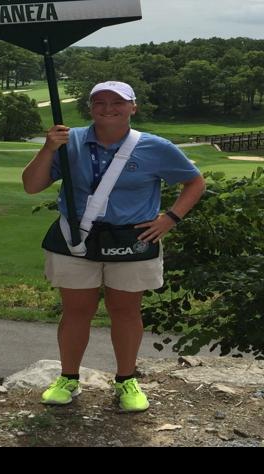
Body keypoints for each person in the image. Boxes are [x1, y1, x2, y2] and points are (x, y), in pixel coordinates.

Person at [21, 81, 206, 412]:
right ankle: (68, 378)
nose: (108, 108)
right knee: (77, 311)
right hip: (75, 238)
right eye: (99, 102)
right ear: (90, 108)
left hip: (131, 240)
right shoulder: (69, 140)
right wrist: (49, 148)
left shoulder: (154, 146)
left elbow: (195, 181)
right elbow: (32, 186)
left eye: (117, 102)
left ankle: (126, 380)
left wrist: (170, 218)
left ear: (133, 107)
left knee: (125, 312)